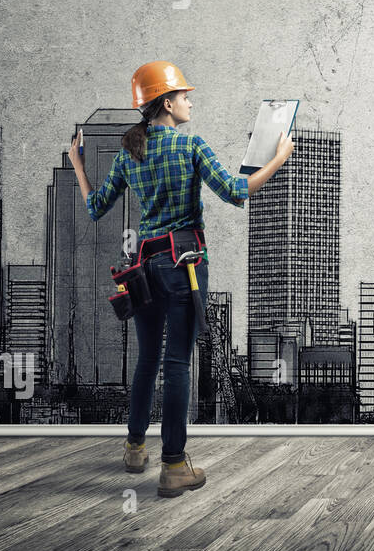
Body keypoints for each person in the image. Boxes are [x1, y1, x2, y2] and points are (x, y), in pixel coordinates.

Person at [67, 61, 294, 497]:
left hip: (141, 268)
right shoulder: (191, 146)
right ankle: (173, 466)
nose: (190, 102)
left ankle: (134, 448)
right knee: (177, 364)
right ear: (167, 103)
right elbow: (235, 191)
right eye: (185, 96)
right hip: (183, 263)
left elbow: (95, 207)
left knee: (147, 360)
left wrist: (78, 162)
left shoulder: (127, 154)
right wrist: (279, 158)